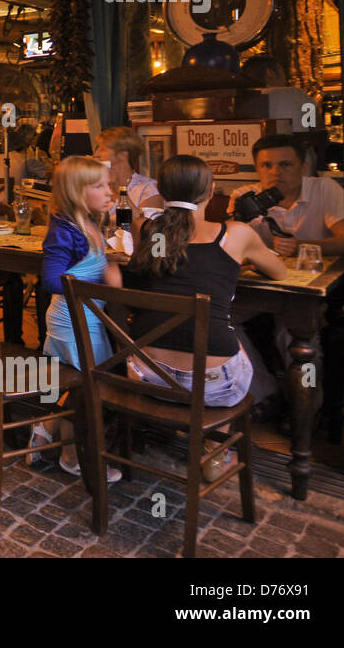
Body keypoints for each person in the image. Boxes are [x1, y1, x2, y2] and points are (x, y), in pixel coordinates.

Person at [124, 155, 287, 480]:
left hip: (145, 377)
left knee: (190, 327)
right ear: (211, 191)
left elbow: (164, 263)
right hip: (212, 387)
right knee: (233, 338)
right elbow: (280, 272)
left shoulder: (151, 231)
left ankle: (171, 424)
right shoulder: (235, 234)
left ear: (162, 192)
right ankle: (214, 448)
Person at [227, 133, 344, 411]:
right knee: (219, 319)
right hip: (262, 289)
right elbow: (230, 246)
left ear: (304, 166)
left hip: (309, 292)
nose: (274, 173)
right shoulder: (246, 197)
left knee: (292, 334)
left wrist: (302, 246)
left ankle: (306, 409)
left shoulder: (324, 189)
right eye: (266, 165)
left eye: (285, 165)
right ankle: (264, 392)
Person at [29, 155, 122, 481]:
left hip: (87, 320)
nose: (108, 190)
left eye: (107, 183)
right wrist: (101, 281)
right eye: (99, 186)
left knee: (77, 386)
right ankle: (71, 457)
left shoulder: (90, 223)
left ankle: (43, 431)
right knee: (87, 391)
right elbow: (52, 280)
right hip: (72, 324)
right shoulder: (64, 231)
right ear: (76, 192)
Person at [94, 126, 165, 215]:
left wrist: (117, 190)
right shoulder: (96, 186)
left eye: (103, 149)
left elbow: (145, 225)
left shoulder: (149, 188)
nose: (96, 154)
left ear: (123, 154)